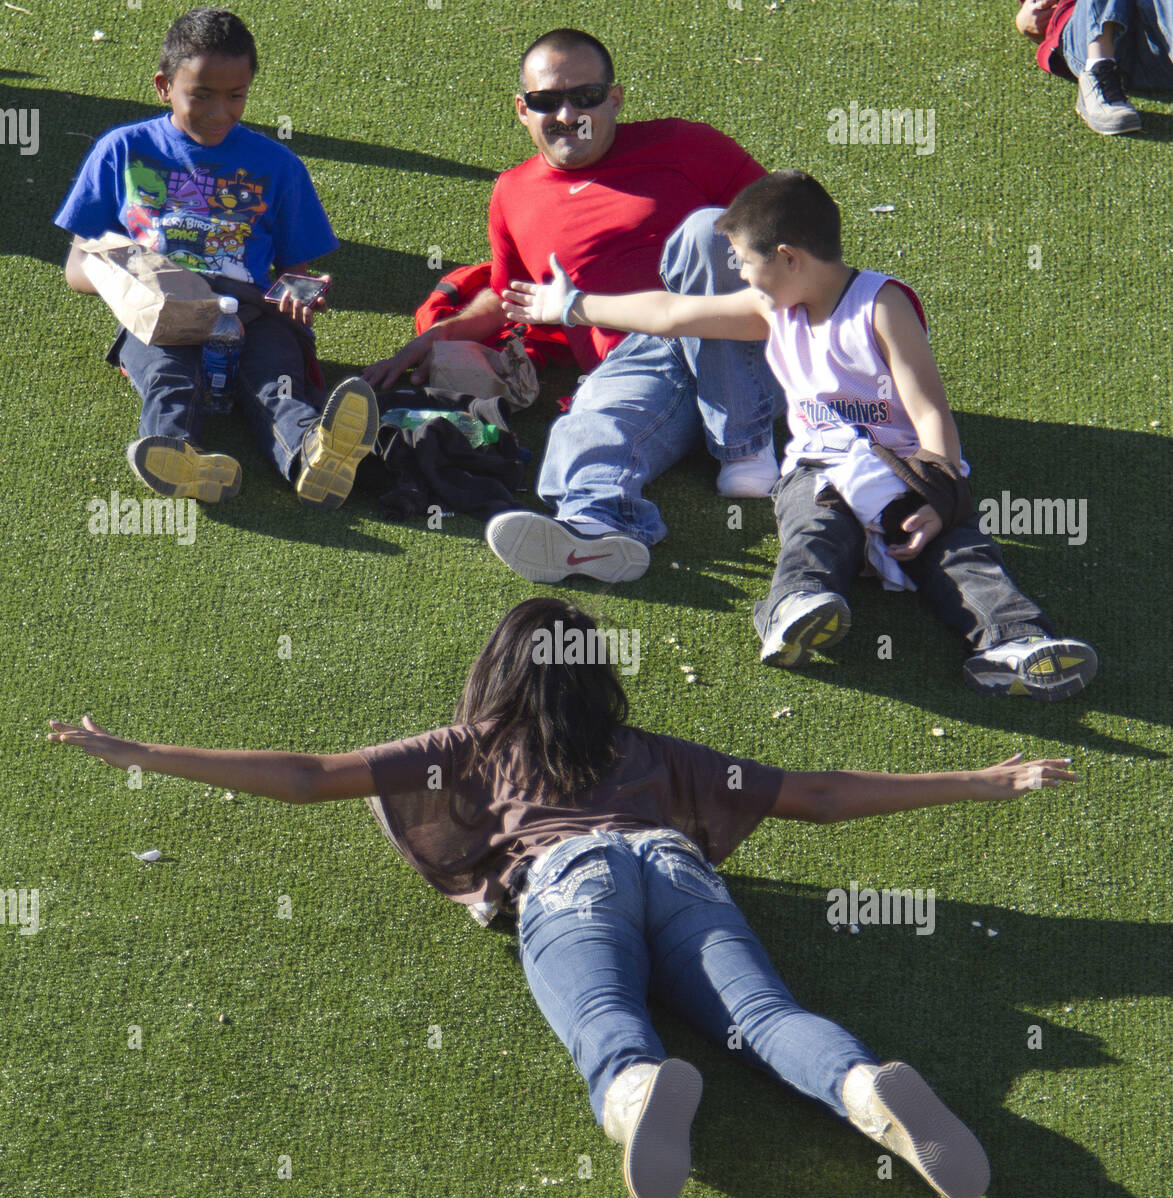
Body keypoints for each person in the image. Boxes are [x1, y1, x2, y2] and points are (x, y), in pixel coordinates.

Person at [48, 598, 1078, 1198]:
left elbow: (313, 773)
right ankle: (859, 1089)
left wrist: (144, 752)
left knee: (605, 1026)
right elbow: (814, 795)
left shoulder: (471, 747)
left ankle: (637, 1096)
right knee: (768, 1019)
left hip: (566, 882)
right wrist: (984, 779)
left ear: (497, 676)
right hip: (675, 866)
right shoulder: (647, 754)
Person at [503, 171, 1099, 701]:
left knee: (961, 556)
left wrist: (938, 494)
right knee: (812, 530)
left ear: (788, 257)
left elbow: (930, 410)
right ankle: (798, 608)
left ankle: (1016, 644)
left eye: (740, 259)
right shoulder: (772, 308)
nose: (735, 271)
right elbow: (672, 313)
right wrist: (573, 306)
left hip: (903, 469)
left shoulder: (881, 304)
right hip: (818, 467)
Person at [363, 28, 785, 583]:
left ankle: (745, 445)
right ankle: (594, 532)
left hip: (731, 336)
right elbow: (514, 296)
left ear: (615, 98)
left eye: (585, 97)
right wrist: (431, 339)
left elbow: (787, 230)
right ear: (522, 109)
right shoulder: (512, 192)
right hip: (637, 359)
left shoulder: (687, 145)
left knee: (710, 231)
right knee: (583, 427)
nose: (567, 114)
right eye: (546, 101)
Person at [54, 7, 378, 509]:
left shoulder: (278, 165)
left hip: (253, 309)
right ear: (164, 86)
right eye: (200, 95)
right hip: (160, 314)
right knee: (169, 378)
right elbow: (79, 265)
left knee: (277, 382)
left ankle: (313, 454)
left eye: (235, 96)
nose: (218, 113)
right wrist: (141, 279)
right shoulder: (123, 150)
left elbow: (294, 271)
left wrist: (300, 296)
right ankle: (181, 456)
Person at [1015, 0, 1173, 134]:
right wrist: (1024, 18)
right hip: (1094, 35)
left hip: (1160, 45)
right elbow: (1033, 13)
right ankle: (1099, 71)